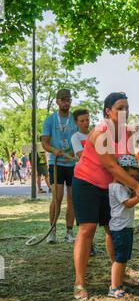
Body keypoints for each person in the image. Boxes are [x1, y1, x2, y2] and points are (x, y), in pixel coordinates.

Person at [72, 92, 139, 301]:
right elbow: (110, 165)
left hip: (110, 186)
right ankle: (79, 283)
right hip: (86, 183)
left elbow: (126, 162)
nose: (125, 111)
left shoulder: (126, 133)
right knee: (87, 230)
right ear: (108, 111)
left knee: (113, 228)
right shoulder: (100, 133)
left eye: (127, 107)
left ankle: (120, 275)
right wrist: (135, 186)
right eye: (120, 108)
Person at [108, 155, 139, 298]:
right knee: (120, 259)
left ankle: (119, 284)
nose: (133, 179)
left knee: (124, 258)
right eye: (131, 176)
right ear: (122, 172)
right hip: (120, 228)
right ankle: (114, 288)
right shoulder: (117, 187)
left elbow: (134, 191)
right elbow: (127, 204)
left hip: (126, 227)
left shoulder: (123, 186)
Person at [41, 89, 78, 244]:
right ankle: (52, 230)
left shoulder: (75, 119)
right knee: (57, 198)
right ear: (57, 101)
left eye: (68, 99)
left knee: (72, 199)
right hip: (55, 164)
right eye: (63, 100)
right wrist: (53, 150)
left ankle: (69, 232)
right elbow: (45, 142)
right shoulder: (50, 120)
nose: (66, 102)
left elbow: (80, 139)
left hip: (72, 163)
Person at [71, 108, 96, 257]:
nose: (85, 123)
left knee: (95, 216)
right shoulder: (75, 137)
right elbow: (81, 155)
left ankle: (91, 243)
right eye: (82, 121)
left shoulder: (95, 133)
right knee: (86, 218)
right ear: (76, 122)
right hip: (83, 178)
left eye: (87, 119)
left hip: (97, 178)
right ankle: (88, 245)